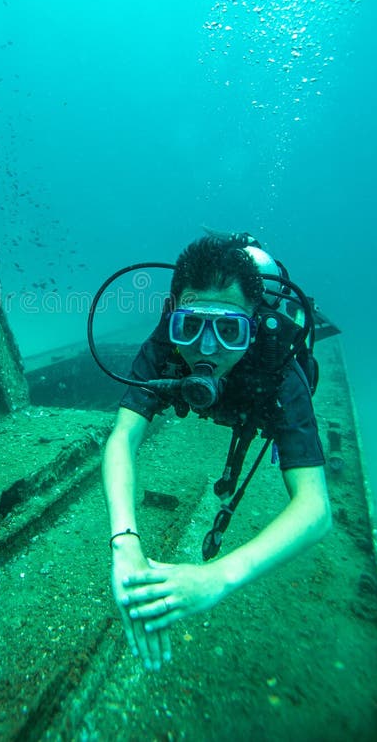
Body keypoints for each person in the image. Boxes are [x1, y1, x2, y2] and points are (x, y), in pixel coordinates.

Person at [102, 233, 332, 671]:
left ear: (253, 324)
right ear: (173, 316)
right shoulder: (164, 346)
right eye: (190, 327)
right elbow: (123, 438)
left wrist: (219, 576)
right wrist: (124, 543)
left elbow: (316, 508)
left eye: (229, 330)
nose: (207, 349)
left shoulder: (279, 367)